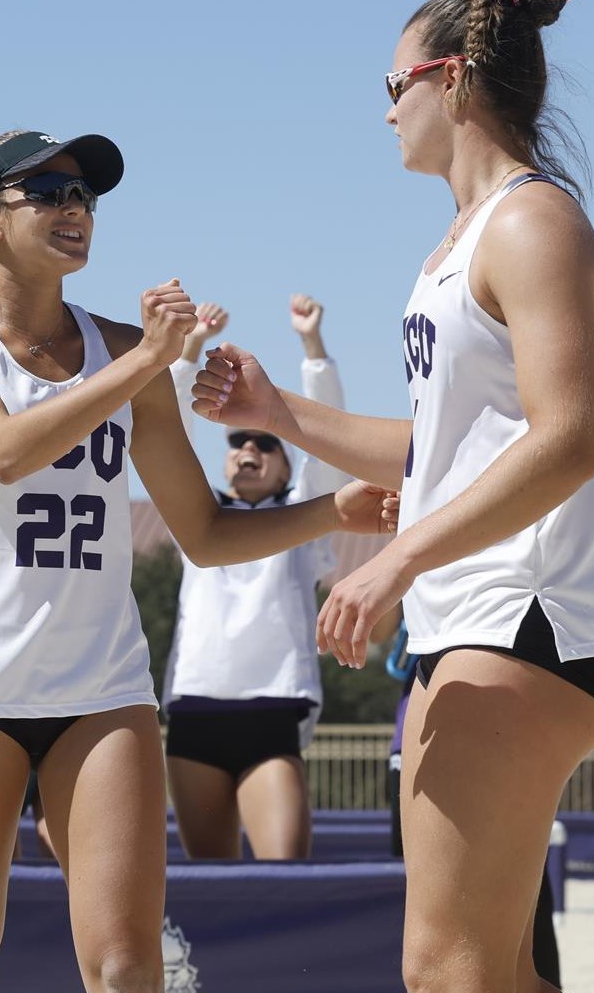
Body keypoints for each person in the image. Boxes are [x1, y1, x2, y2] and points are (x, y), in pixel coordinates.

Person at [194, 0, 594, 991]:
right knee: (494, 970)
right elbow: (447, 454)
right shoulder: (456, 247)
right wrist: (277, 411)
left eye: (396, 86)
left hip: (523, 618)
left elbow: (567, 440)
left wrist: (394, 562)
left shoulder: (532, 223)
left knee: (447, 971)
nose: (385, 110)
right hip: (475, 620)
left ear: (458, 78)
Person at [0, 129, 387, 993]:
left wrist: (327, 512)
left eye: (83, 194)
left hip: (100, 687)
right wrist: (150, 361)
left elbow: (205, 534)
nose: (74, 208)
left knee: (127, 967)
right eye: (47, 192)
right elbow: (4, 449)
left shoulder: (124, 350)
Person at [163, 295, 348, 859]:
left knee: (283, 874)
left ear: (290, 468)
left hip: (272, 709)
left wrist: (312, 347)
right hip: (194, 705)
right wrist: (191, 347)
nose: (249, 448)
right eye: (239, 442)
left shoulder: (305, 522)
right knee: (211, 885)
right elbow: (165, 433)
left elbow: (329, 446)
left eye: (266, 444)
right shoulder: (191, 516)